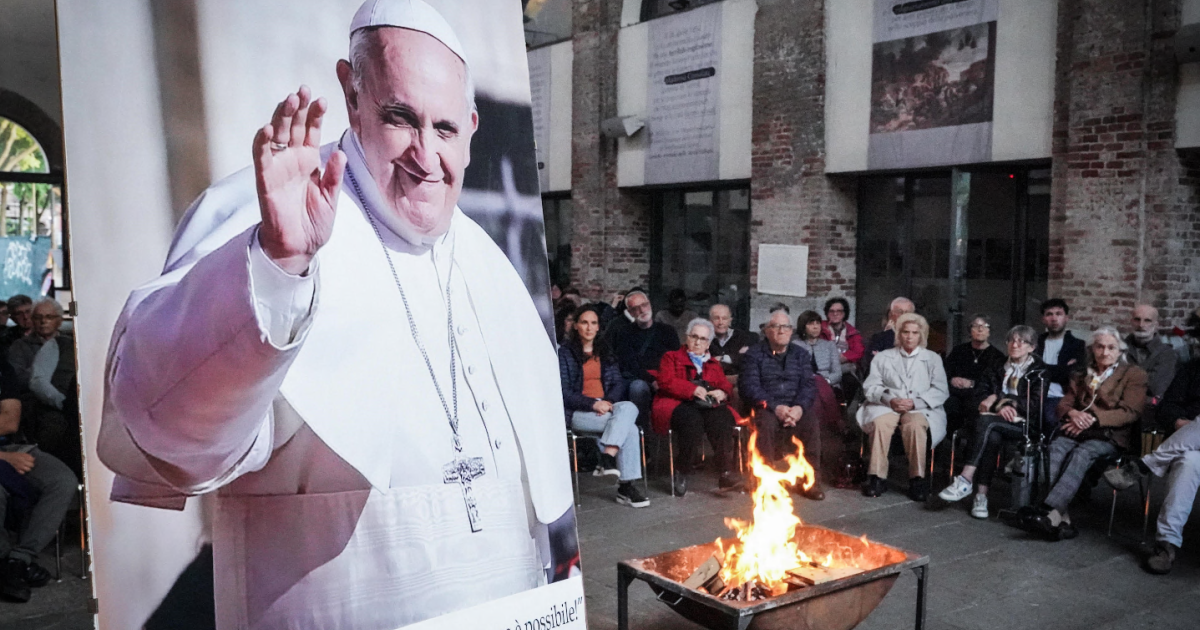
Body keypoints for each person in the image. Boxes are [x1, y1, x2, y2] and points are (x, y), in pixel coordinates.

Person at [96, 2, 576, 627]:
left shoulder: (490, 265)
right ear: (352, 94)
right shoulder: (263, 218)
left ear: (473, 125)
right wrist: (279, 270)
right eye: (400, 118)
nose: (426, 158)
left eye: (447, 130)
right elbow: (178, 437)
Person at [1009, 326, 1147, 541]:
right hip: (1076, 428)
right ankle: (1062, 519)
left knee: (1081, 454)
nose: (1105, 352)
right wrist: (1073, 413)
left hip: (1108, 434)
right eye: (1100, 346)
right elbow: (1063, 404)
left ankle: (1049, 512)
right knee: (1054, 449)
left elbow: (1130, 412)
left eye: (1111, 347)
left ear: (1120, 351)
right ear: (1093, 349)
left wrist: (1092, 418)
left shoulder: (1133, 375)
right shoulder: (1081, 374)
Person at [938, 326, 1045, 518]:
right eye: (1011, 340)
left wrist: (998, 400)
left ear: (1032, 347)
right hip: (994, 422)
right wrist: (998, 407)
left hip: (1024, 424)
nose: (1015, 344)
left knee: (986, 424)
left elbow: (1033, 405)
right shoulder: (997, 365)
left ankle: (965, 479)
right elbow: (978, 395)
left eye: (1022, 341)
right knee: (991, 435)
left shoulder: (1039, 372)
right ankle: (981, 496)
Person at [0, 361, 77, 604]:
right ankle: (6, 566)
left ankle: (18, 561)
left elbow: (9, 420)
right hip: (4, 453)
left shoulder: (3, 368)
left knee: (62, 480)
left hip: (11, 445)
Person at [558, 305, 647, 508]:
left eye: (594, 323)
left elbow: (617, 383)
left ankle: (607, 457)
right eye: (584, 322)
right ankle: (625, 487)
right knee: (630, 429)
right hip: (578, 411)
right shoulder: (565, 353)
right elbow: (563, 392)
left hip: (606, 408)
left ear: (599, 327)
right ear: (576, 326)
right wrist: (593, 404)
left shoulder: (605, 351)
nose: (589, 328)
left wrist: (606, 403)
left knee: (630, 408)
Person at [858, 313, 949, 501]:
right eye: (905, 332)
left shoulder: (932, 358)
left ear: (921, 335)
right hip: (888, 405)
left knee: (915, 425)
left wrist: (915, 402)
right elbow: (871, 385)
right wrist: (888, 399)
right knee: (880, 423)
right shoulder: (884, 357)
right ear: (898, 334)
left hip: (920, 406)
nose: (909, 336)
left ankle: (917, 478)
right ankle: (876, 477)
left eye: (914, 333)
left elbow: (940, 390)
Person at [740, 310, 824, 500]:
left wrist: (799, 408)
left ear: (791, 331)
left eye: (785, 326)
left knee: (811, 423)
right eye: (776, 326)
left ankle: (810, 483)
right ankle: (767, 485)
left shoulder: (801, 355)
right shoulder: (754, 355)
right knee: (766, 424)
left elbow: (809, 386)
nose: (781, 331)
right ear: (767, 330)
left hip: (795, 408)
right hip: (767, 408)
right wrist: (775, 407)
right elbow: (749, 387)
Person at [650, 318, 738, 496]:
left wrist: (723, 392)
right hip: (677, 403)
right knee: (692, 421)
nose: (698, 342)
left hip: (705, 404)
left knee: (722, 418)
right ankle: (682, 471)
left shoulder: (713, 363)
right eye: (694, 337)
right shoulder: (671, 357)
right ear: (687, 337)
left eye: (703, 339)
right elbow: (665, 381)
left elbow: (725, 385)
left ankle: (725, 471)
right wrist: (692, 389)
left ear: (708, 344)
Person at [12, 300, 80, 477]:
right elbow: (25, 380)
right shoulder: (20, 346)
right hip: (38, 407)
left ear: (59, 320)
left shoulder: (71, 342)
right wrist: (62, 402)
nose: (43, 321)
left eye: (49, 317)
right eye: (38, 317)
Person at [604, 290, 680, 424]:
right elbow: (629, 365)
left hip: (665, 379)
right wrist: (652, 380)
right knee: (638, 387)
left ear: (649, 304)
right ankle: (642, 432)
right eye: (636, 308)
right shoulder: (624, 333)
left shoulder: (668, 331)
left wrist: (663, 381)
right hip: (639, 379)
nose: (642, 310)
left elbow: (676, 360)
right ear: (630, 312)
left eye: (644, 305)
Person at [942, 315, 1005, 436]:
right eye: (975, 326)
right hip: (956, 395)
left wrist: (972, 383)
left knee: (975, 411)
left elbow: (996, 384)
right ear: (970, 331)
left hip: (979, 396)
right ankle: (948, 446)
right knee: (947, 407)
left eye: (984, 326)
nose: (980, 329)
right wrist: (952, 379)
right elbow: (944, 372)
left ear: (989, 332)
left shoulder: (997, 356)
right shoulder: (959, 350)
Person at [1035, 298, 1086, 437]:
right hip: (1033, 394)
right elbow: (1030, 370)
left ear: (1066, 318)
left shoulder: (1077, 345)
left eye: (1059, 314)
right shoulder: (1035, 343)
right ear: (1043, 319)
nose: (1054, 318)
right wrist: (1061, 368)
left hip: (1059, 397)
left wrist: (1043, 368)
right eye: (1049, 314)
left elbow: (1072, 374)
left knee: (1052, 420)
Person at [1125, 304, 1177, 421]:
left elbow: (1156, 388)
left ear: (1156, 325)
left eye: (1147, 320)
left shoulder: (1167, 354)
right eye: (1137, 319)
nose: (1141, 325)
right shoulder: (1118, 349)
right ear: (1131, 321)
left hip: (1149, 413)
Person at [861, 297, 915, 375]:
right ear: (890, 315)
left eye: (907, 312)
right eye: (899, 312)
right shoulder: (879, 338)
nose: (904, 315)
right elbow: (874, 363)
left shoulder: (920, 337)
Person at [820, 297, 864, 385]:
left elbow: (858, 351)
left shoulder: (852, 332)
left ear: (844, 313)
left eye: (839, 311)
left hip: (844, 366)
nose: (835, 314)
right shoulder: (820, 329)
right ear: (827, 313)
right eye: (831, 311)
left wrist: (845, 357)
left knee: (849, 381)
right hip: (824, 365)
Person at [707, 303, 758, 381]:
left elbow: (751, 359)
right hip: (712, 384)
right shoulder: (704, 339)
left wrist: (724, 358)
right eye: (716, 318)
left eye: (724, 318)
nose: (721, 322)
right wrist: (737, 357)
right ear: (710, 321)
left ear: (730, 320)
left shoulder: (745, 337)